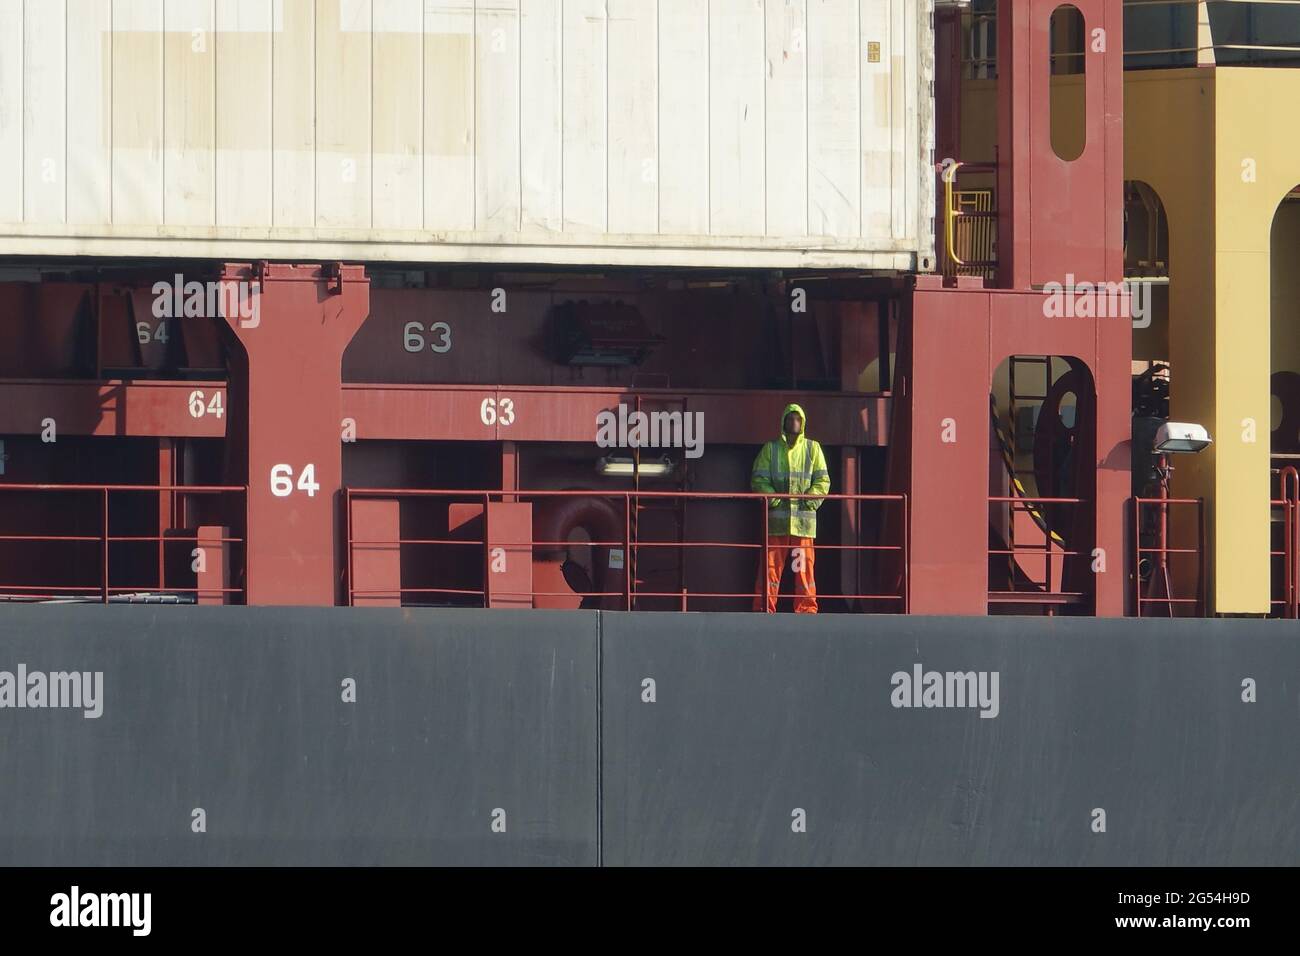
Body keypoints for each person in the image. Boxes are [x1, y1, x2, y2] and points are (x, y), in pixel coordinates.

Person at [750, 403, 830, 613]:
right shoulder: (771, 449)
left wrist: (810, 500)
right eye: (790, 418)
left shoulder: (813, 448)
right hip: (777, 523)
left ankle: (806, 609)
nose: (794, 422)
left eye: (797, 418)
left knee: (804, 570)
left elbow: (823, 481)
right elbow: (758, 479)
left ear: (803, 423)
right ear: (783, 422)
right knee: (770, 569)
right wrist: (775, 498)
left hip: (802, 524)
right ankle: (764, 608)